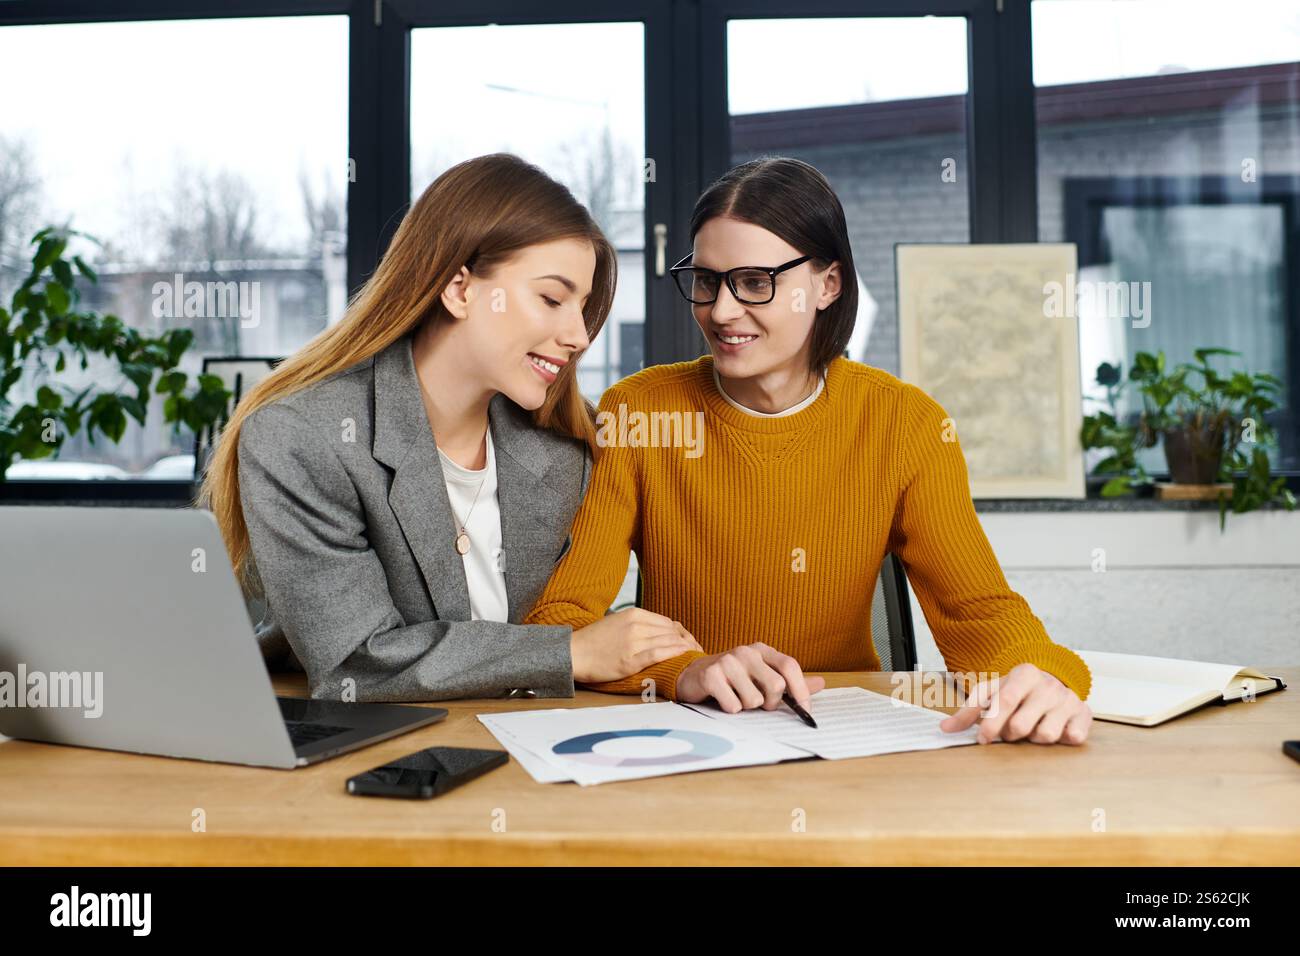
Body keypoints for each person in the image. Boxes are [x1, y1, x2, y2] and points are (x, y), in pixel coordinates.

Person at [525, 156, 1093, 746]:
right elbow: (564, 622)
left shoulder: (904, 424)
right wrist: (684, 671)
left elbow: (978, 610)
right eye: (706, 280)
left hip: (854, 740)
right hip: (690, 740)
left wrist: (1043, 676)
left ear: (828, 284)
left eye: (754, 282)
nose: (720, 311)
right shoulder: (638, 412)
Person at [200, 153, 699, 702]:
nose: (579, 336)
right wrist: (568, 653)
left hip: (540, 749)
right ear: (460, 289)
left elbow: (588, 625)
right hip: (386, 755)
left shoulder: (567, 443)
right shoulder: (302, 438)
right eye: (553, 299)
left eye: (582, 309)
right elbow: (356, 662)